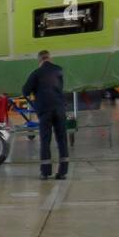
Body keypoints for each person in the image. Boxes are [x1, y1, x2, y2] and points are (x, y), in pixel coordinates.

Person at [22, 50, 69, 180]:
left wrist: (35, 93)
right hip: (59, 109)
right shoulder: (59, 70)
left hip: (45, 111)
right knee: (62, 140)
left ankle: (45, 172)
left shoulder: (36, 73)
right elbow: (60, 87)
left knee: (45, 141)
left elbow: (25, 91)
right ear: (49, 58)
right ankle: (63, 172)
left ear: (39, 60)